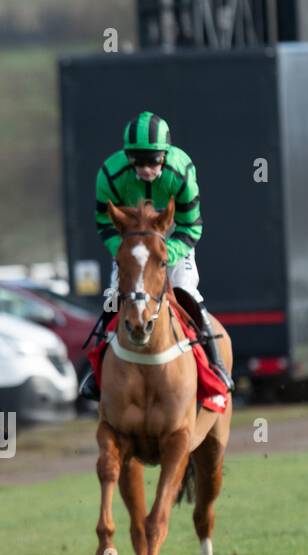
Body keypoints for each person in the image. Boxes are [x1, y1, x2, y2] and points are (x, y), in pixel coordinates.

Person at [79, 110, 234, 400]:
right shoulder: (110, 174)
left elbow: (192, 225)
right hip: (132, 241)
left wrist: (165, 254)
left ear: (165, 155)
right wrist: (125, 253)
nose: (146, 168)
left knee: (186, 291)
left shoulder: (181, 170)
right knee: (114, 296)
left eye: (152, 160)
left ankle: (215, 364)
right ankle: (97, 373)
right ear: (128, 156)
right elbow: (104, 223)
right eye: (138, 159)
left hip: (172, 236)